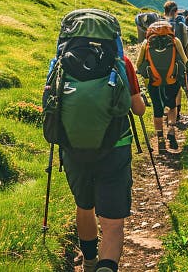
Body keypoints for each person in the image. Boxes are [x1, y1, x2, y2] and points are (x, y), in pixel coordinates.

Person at [60, 55, 145, 272]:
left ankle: (89, 262)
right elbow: (138, 109)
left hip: (73, 148)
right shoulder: (121, 62)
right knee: (112, 223)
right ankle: (106, 267)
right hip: (115, 149)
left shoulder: (62, 62)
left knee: (84, 205)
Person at [135, 14, 188, 152]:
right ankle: (171, 129)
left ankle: (159, 138)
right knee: (171, 105)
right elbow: (185, 60)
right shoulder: (175, 41)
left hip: (154, 82)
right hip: (172, 79)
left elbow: (138, 64)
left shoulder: (146, 44)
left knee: (157, 109)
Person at [163, 1, 188, 119]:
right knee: (177, 86)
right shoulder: (180, 24)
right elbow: (185, 42)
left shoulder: (159, 24)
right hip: (176, 59)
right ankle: (176, 113)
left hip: (161, 59)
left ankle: (165, 109)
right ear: (176, 11)